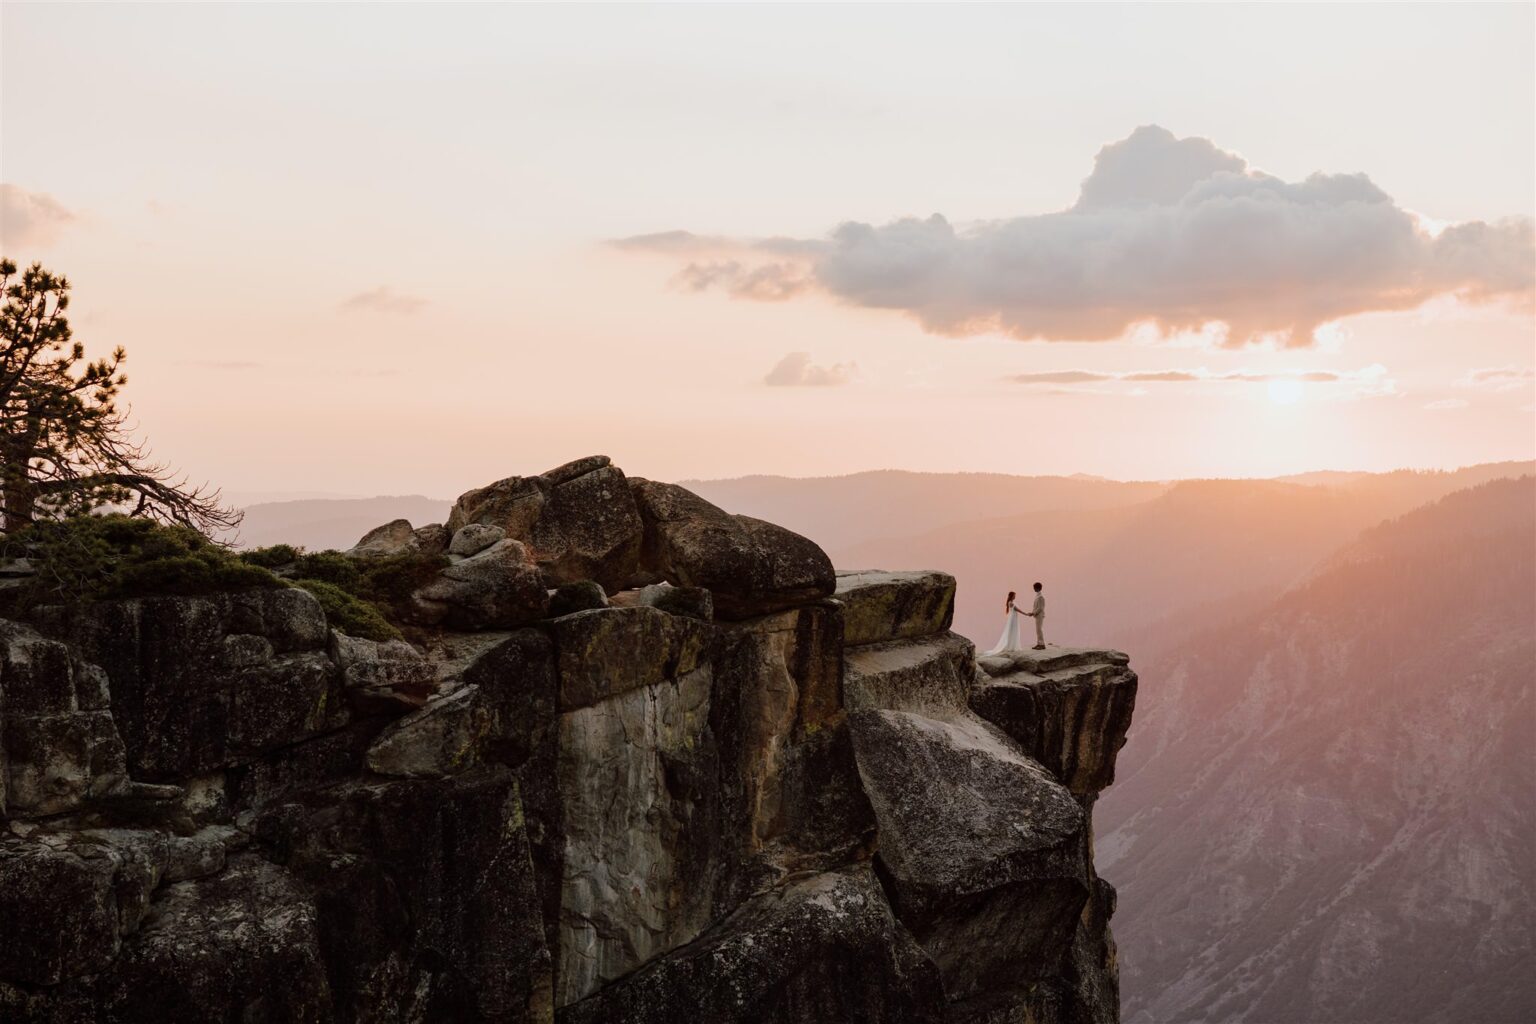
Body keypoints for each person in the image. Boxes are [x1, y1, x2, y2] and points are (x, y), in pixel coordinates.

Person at [983, 590, 1026, 655]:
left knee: (1013, 631)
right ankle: (1010, 646)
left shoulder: (1010, 602)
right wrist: (1026, 614)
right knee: (1013, 631)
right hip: (1013, 619)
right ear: (1012, 596)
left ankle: (1011, 645)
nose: (1015, 596)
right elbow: (1018, 610)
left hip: (1014, 618)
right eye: (1014, 595)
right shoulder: (1011, 603)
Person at [1022, 581, 1046, 650]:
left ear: (1037, 588)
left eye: (1034, 587)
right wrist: (1032, 612)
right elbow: (1036, 607)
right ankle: (1039, 643)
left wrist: (1033, 613)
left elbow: (1040, 608)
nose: (1033, 589)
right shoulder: (1038, 596)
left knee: (1039, 630)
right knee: (1038, 630)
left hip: (1040, 616)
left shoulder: (1041, 597)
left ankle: (1042, 644)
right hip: (1037, 615)